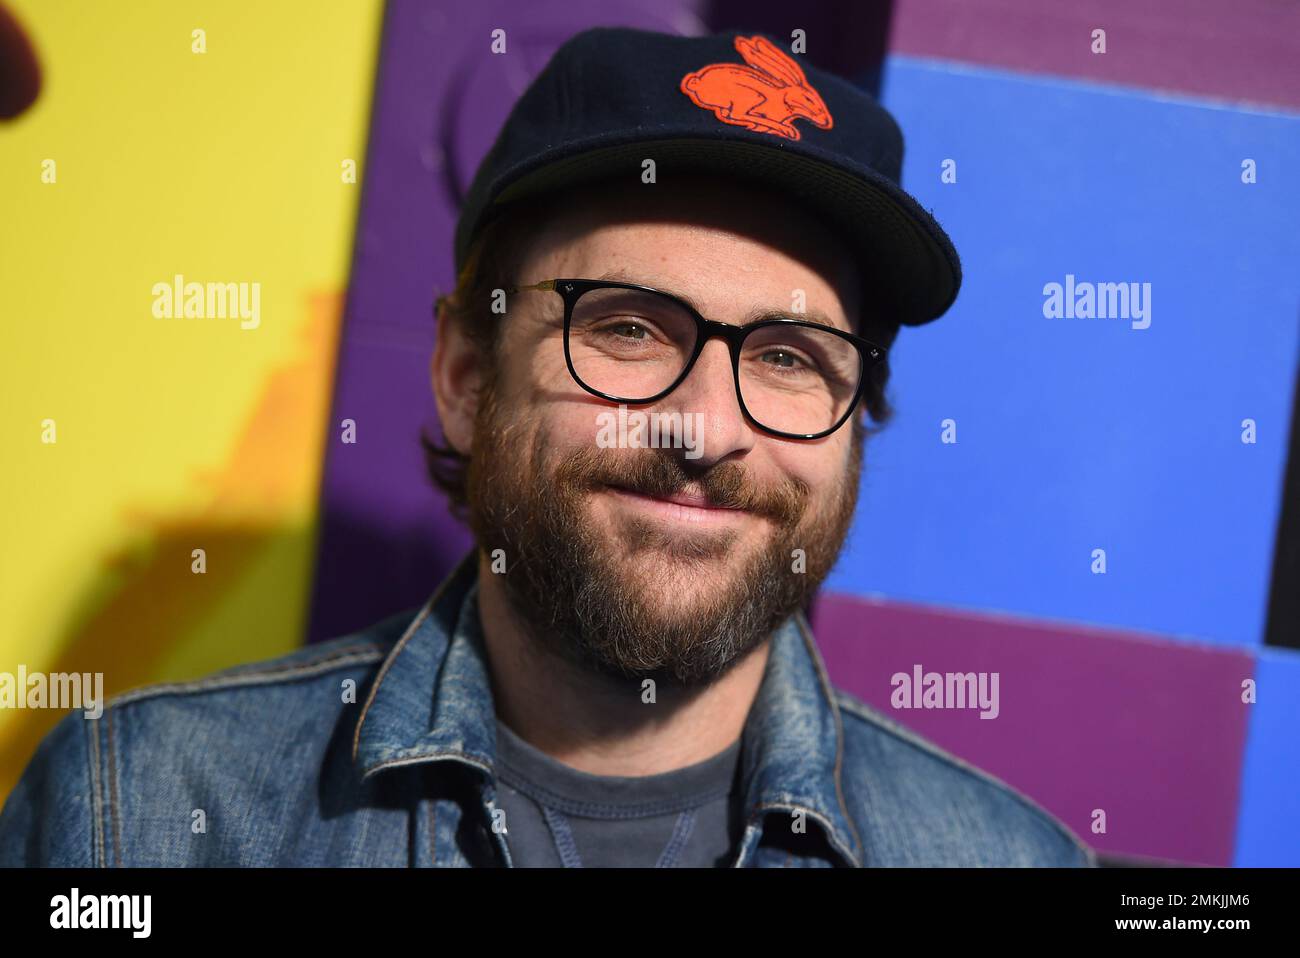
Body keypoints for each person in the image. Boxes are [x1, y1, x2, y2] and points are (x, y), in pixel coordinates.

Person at [0, 26, 1094, 867]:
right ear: (468, 376)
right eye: (624, 328)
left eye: (788, 356)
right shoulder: (138, 811)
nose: (707, 430)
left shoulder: (1008, 860)